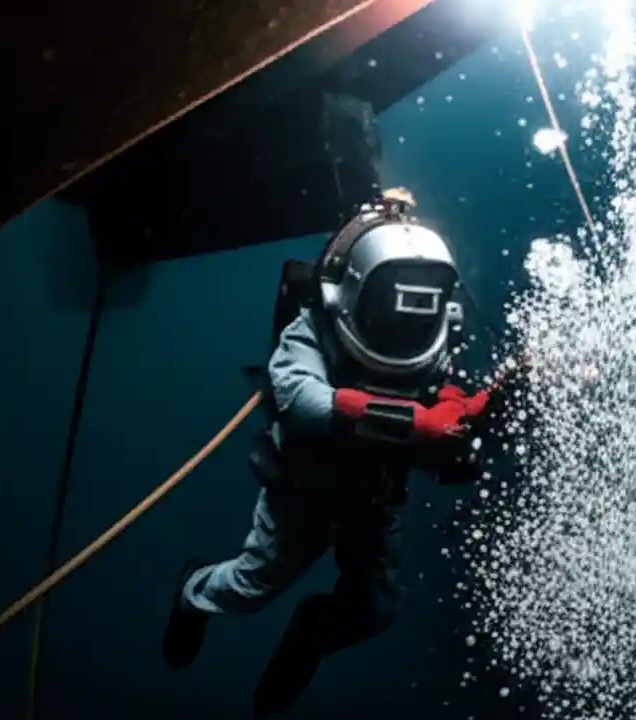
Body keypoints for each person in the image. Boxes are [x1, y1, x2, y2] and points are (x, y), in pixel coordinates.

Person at [160, 188, 510, 717]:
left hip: (375, 500)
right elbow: (304, 403)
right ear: (352, 294)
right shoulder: (311, 333)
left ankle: (311, 633)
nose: (404, 328)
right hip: (304, 497)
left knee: (376, 608)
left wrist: (467, 423)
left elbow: (445, 398)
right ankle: (193, 591)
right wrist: (423, 427)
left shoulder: (433, 342)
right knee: (249, 589)